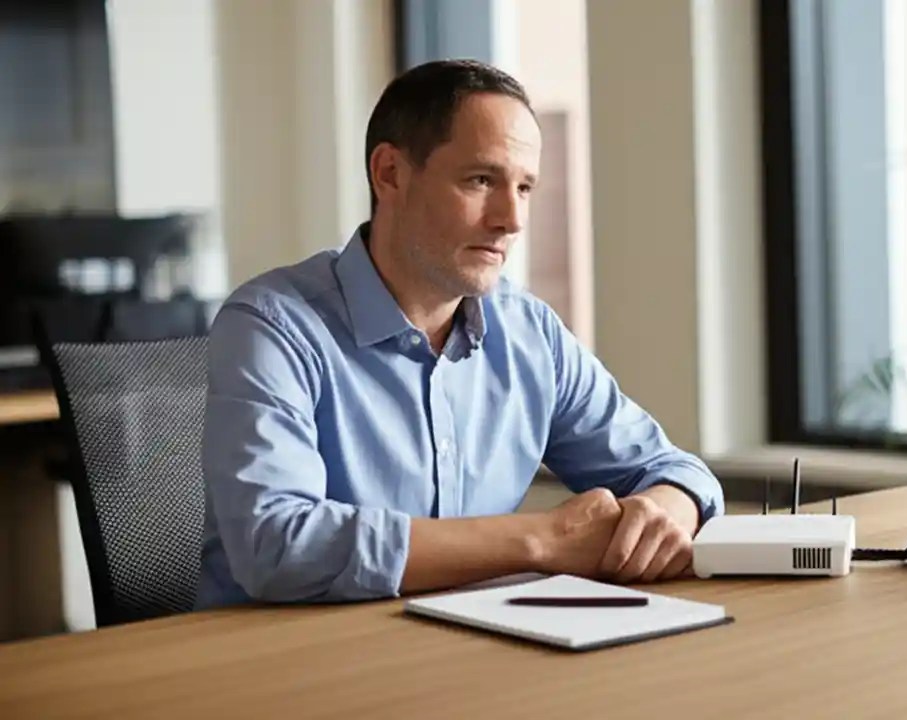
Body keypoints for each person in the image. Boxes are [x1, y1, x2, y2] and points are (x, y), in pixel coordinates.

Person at [195, 59, 724, 609]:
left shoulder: (528, 331)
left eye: (524, 187)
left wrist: (662, 513)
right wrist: (540, 541)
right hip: (290, 667)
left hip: (473, 651)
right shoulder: (273, 325)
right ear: (390, 174)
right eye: (481, 180)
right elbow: (277, 545)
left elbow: (674, 470)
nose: (512, 219)